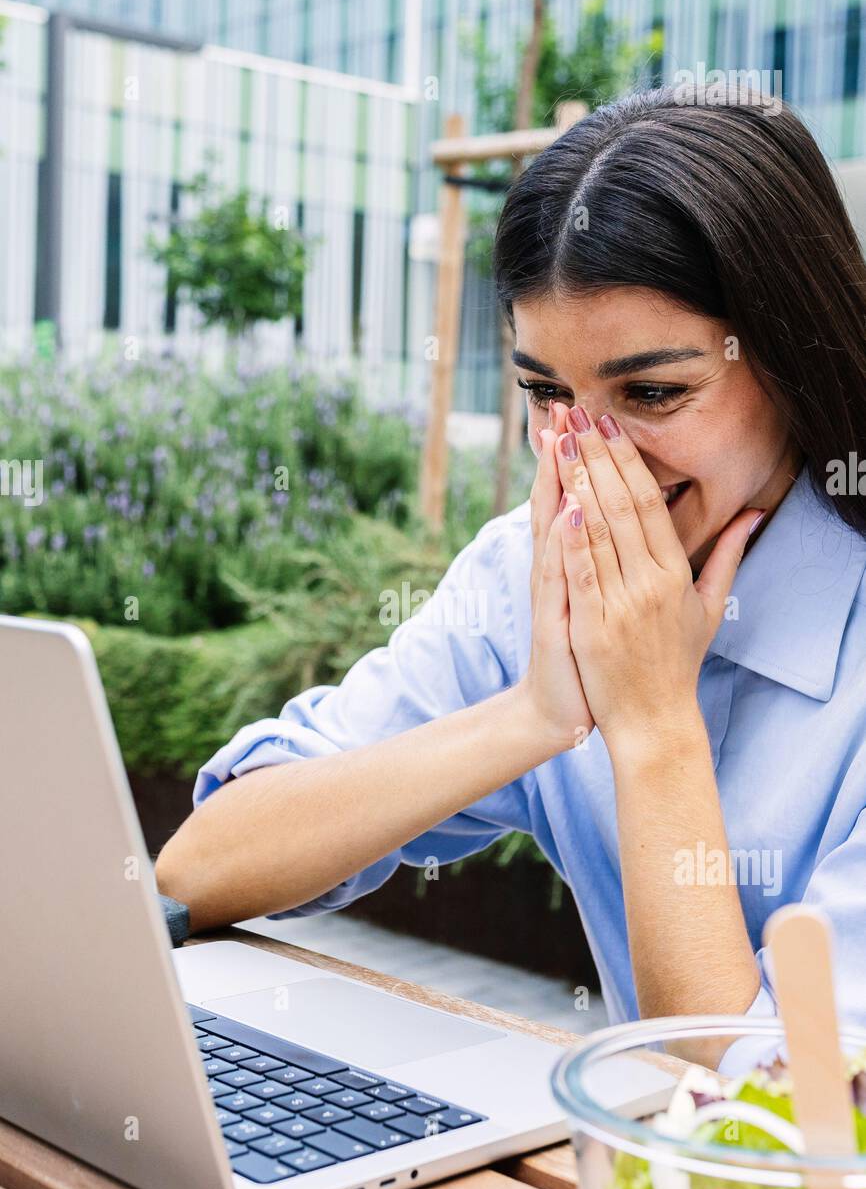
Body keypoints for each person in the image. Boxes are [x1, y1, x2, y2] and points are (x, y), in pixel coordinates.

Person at [157, 86, 866, 1068]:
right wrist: (535, 711)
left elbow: (766, 1109)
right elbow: (200, 866)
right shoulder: (528, 574)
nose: (581, 454)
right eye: (544, 393)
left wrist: (652, 720)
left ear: (789, 359)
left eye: (651, 391)